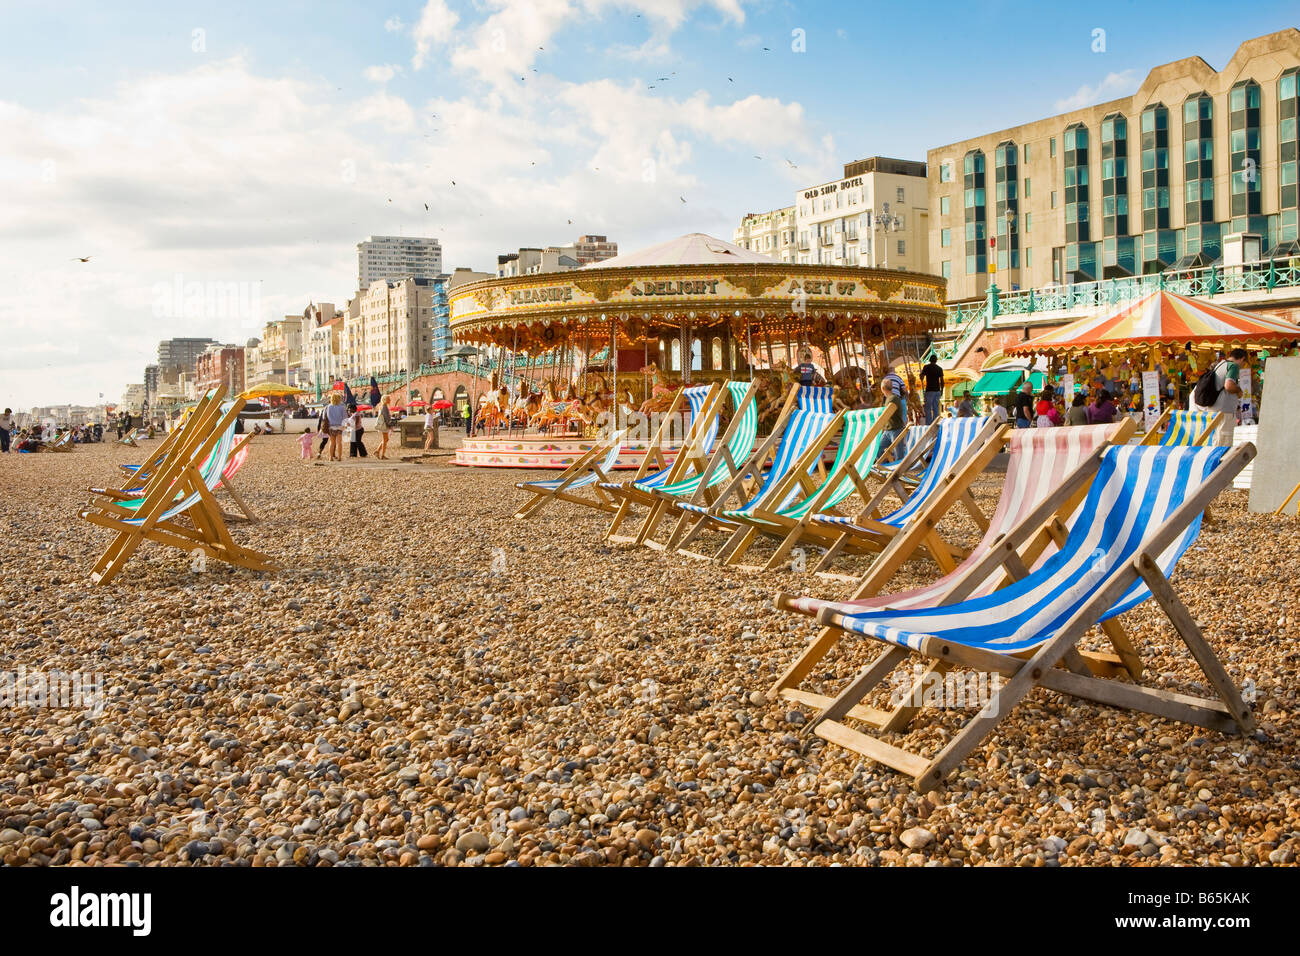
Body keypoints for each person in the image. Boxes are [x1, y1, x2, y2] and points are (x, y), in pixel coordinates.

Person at [1189, 347, 1247, 447]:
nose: (1243, 366)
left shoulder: (1220, 364)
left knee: (1216, 440)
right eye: (1244, 363)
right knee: (1224, 444)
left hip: (1214, 410)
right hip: (1224, 412)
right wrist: (1239, 391)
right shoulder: (1233, 366)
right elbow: (1228, 385)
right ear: (1242, 359)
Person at [879, 376, 907, 460]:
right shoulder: (890, 398)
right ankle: (889, 463)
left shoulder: (893, 399)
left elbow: (887, 413)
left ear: (883, 388)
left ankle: (898, 467)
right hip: (889, 429)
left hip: (895, 429)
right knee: (879, 450)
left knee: (899, 454)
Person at [920, 354, 944, 425]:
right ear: (936, 360)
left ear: (930, 360)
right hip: (937, 390)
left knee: (928, 408)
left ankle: (929, 423)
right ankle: (935, 422)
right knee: (936, 407)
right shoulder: (939, 368)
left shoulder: (926, 367)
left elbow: (921, 378)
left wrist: (921, 374)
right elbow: (942, 381)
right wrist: (942, 390)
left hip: (929, 390)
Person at [324, 393, 349, 461]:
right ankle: (339, 457)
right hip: (340, 427)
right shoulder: (342, 407)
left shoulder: (328, 407)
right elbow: (345, 417)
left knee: (332, 443)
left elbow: (326, 417)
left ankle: (330, 457)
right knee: (339, 443)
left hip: (331, 426)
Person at [375, 396, 393, 460]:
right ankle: (382, 455)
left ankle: (377, 451)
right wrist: (390, 425)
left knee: (386, 439)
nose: (390, 400)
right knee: (385, 440)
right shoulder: (385, 407)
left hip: (382, 425)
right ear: (385, 400)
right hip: (384, 426)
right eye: (389, 399)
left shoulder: (382, 406)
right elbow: (386, 417)